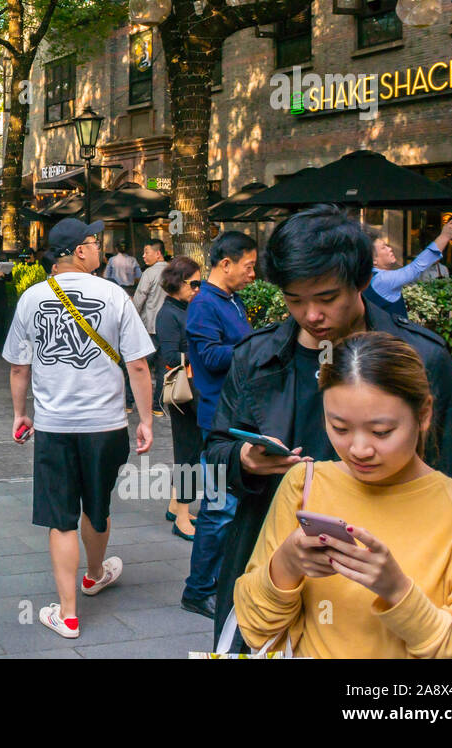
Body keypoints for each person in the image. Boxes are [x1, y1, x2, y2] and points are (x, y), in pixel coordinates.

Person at [206, 205, 452, 648]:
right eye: (295, 299)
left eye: (327, 298)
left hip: (389, 571)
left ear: (363, 282)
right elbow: (216, 450)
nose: (311, 314)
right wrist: (244, 459)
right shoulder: (255, 357)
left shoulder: (421, 358)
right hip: (277, 563)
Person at [234, 332, 452, 658]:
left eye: (381, 431)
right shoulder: (305, 483)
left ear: (424, 414)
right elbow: (253, 627)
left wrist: (399, 593)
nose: (359, 449)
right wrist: (286, 563)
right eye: (340, 428)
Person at [3, 218, 155, 639]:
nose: (100, 248)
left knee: (61, 518)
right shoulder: (114, 295)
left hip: (53, 426)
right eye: (95, 242)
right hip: (105, 425)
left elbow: (20, 366)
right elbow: (138, 364)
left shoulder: (31, 298)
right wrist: (145, 419)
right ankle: (92, 574)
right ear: (79, 251)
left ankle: (67, 614)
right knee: (97, 505)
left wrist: (20, 413)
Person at [180, 230, 257, 619]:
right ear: (225, 264)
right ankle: (198, 590)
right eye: (249, 266)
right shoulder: (204, 305)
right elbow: (209, 357)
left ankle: (217, 583)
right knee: (219, 509)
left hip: (236, 416)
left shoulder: (232, 300)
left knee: (229, 508)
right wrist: (255, 347)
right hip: (217, 421)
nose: (253, 274)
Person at [154, 256, 202, 541]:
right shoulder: (168, 314)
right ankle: (182, 517)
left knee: (190, 451)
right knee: (187, 453)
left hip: (195, 388)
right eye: (194, 283)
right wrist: (203, 353)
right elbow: (170, 356)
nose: (198, 289)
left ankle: (176, 506)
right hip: (184, 391)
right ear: (178, 283)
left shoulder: (184, 308)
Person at [365, 216, 452, 318]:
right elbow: (416, 268)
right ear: (373, 259)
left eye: (388, 245)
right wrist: (445, 236)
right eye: (384, 248)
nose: (390, 249)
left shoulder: (371, 277)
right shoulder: (382, 279)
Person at [132, 238, 169, 416]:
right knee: (163, 370)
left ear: (158, 253)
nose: (144, 255)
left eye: (147, 252)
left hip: (151, 328)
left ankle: (130, 402)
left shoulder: (149, 273)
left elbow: (139, 298)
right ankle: (158, 406)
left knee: (140, 365)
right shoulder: (173, 271)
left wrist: (132, 318)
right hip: (169, 330)